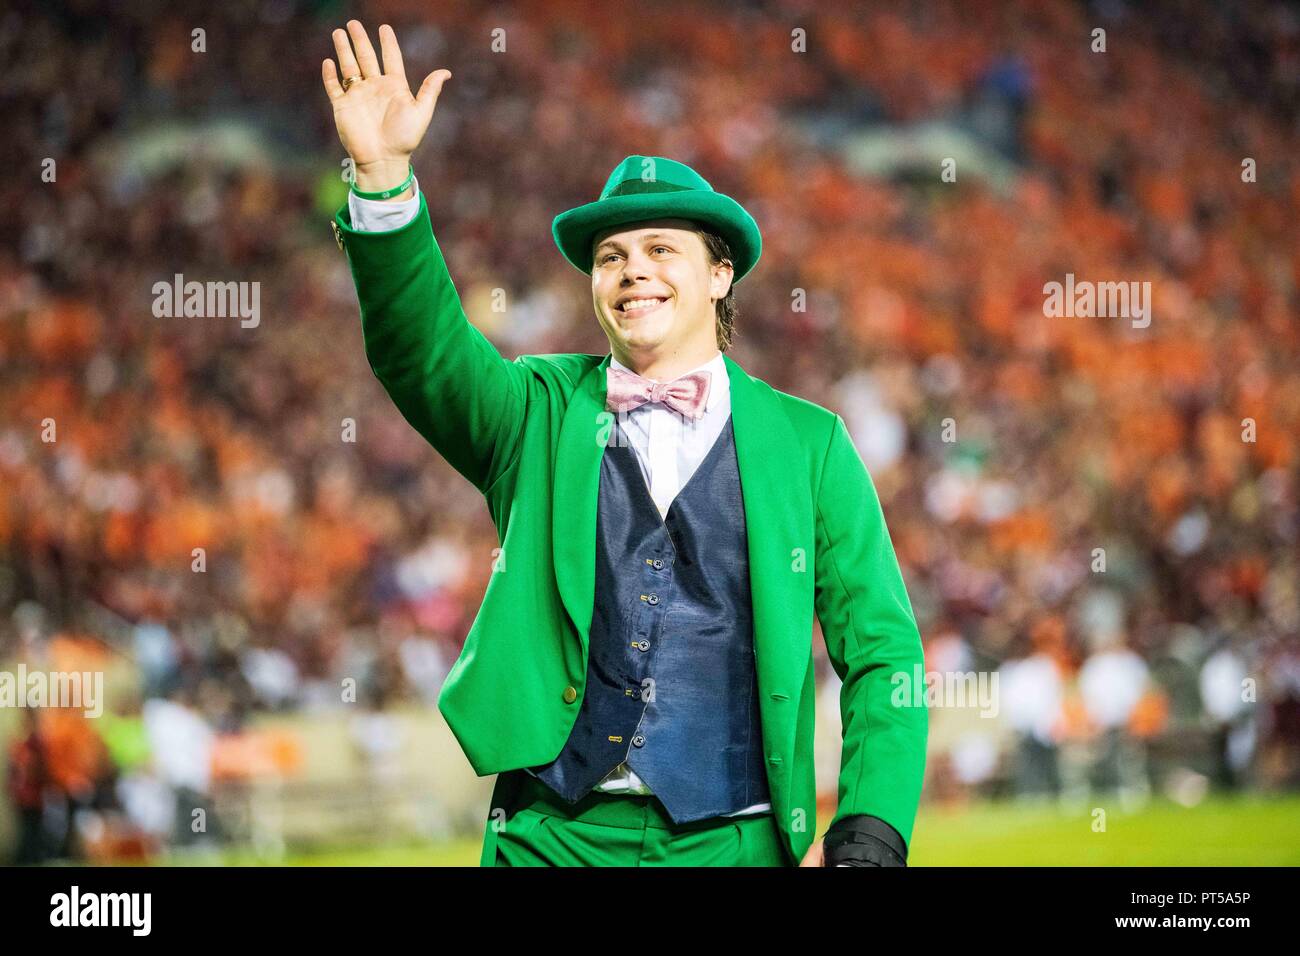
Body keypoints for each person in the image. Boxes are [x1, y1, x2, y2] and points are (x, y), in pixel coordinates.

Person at [321, 20, 927, 867]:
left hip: (737, 841)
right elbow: (421, 355)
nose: (632, 269)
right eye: (612, 255)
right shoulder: (534, 409)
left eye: (659, 249)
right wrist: (382, 181)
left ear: (720, 276)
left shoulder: (812, 443)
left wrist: (869, 832)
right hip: (547, 836)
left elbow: (883, 651)